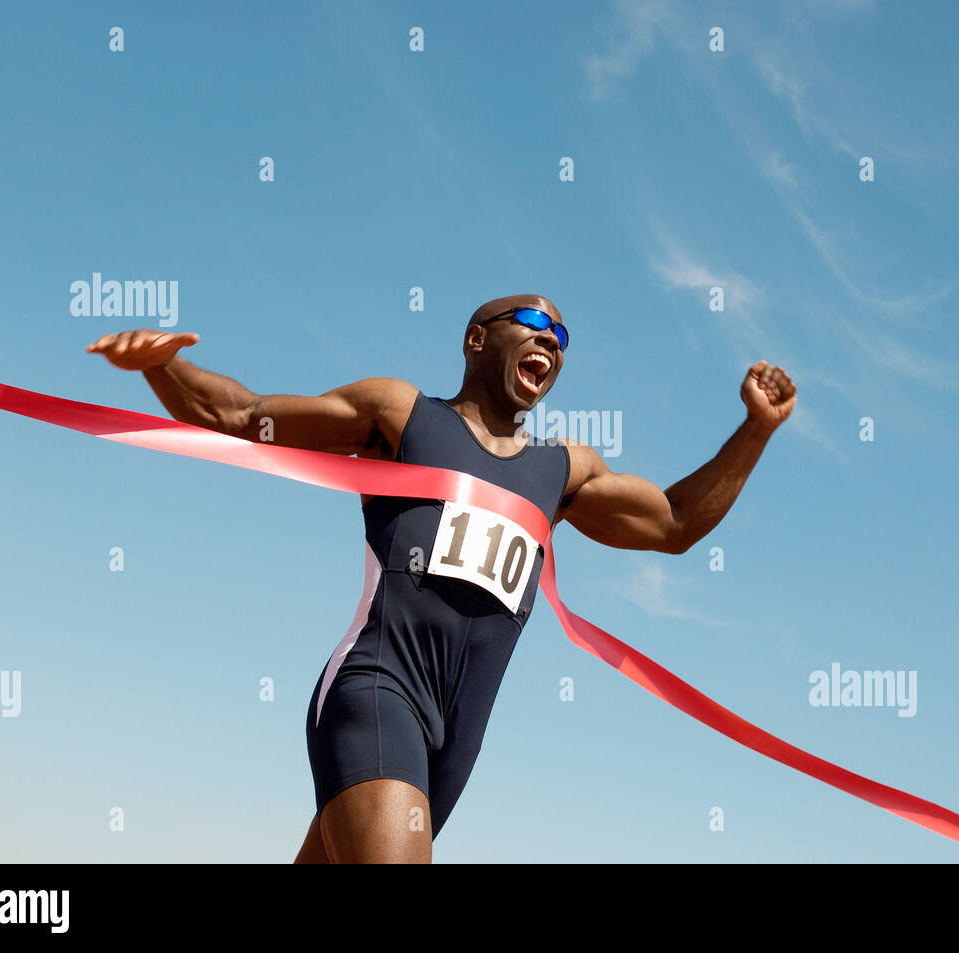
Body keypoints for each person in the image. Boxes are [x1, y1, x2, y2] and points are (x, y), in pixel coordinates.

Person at [86, 293, 797, 863]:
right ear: (476, 338)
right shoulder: (401, 414)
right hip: (376, 690)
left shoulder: (564, 471)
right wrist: (161, 367)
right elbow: (242, 415)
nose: (550, 338)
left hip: (452, 743)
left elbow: (673, 522)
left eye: (562, 335)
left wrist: (755, 432)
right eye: (533, 322)